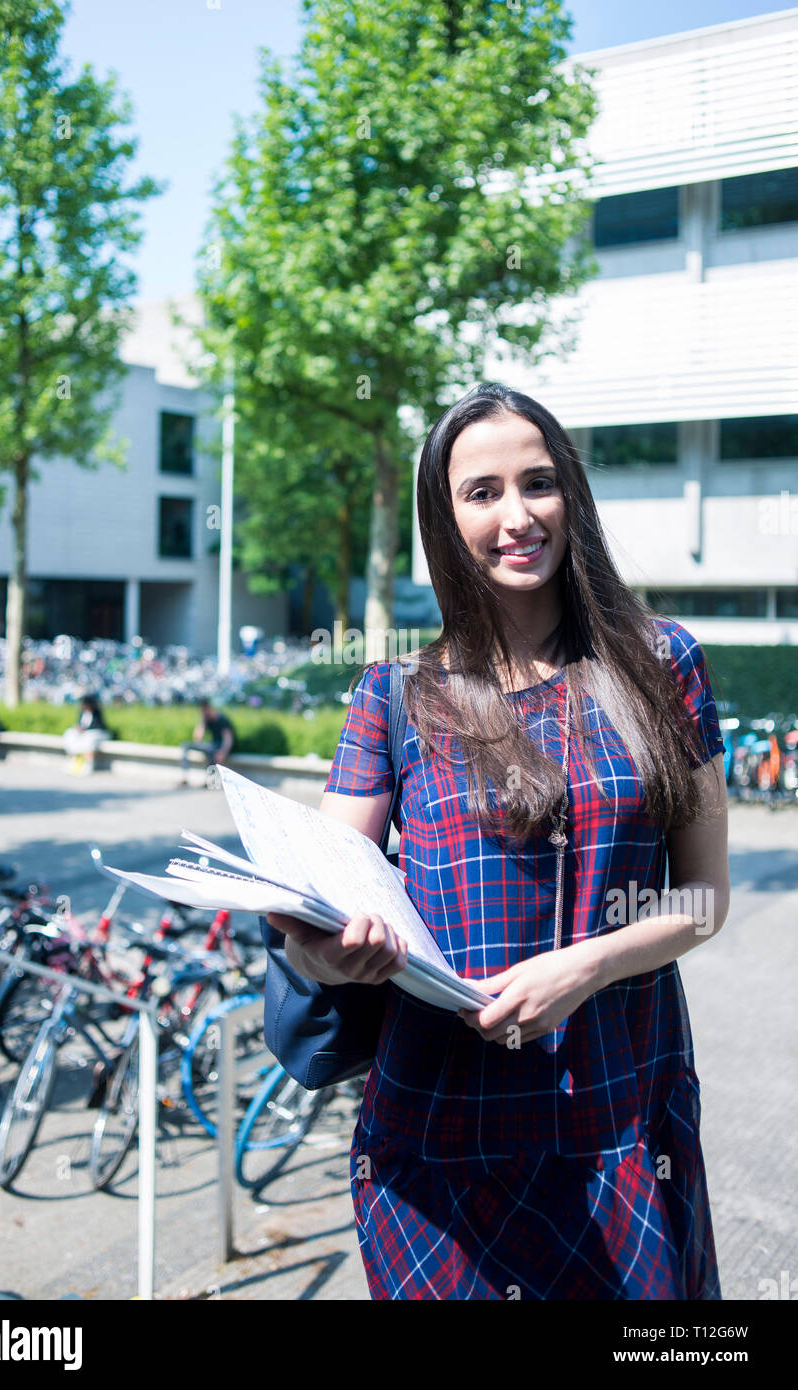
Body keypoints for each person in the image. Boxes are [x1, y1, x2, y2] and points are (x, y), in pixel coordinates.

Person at [267, 383, 730, 1301]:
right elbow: (313, 910)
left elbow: (703, 899)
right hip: (439, 1133)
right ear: (444, 520)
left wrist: (585, 966)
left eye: (540, 483)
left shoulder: (661, 662)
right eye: (481, 492)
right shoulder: (391, 695)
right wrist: (328, 956)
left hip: (617, 1109)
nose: (517, 515)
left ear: (572, 499)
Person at [178, 701, 236, 787]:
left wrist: (223, 752)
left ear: (209, 708)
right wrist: (202, 722)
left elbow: (228, 739)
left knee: (211, 751)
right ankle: (184, 777)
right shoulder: (206, 720)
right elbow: (197, 738)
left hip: (221, 747)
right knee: (186, 745)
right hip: (212, 745)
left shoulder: (222, 719)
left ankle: (211, 780)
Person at [63, 695, 109, 776]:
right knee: (69, 734)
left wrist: (84, 730)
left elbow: (98, 726)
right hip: (83, 734)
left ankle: (88, 763)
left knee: (90, 739)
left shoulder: (97, 713)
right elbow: (80, 724)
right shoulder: (82, 713)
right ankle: (72, 760)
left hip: (94, 734)